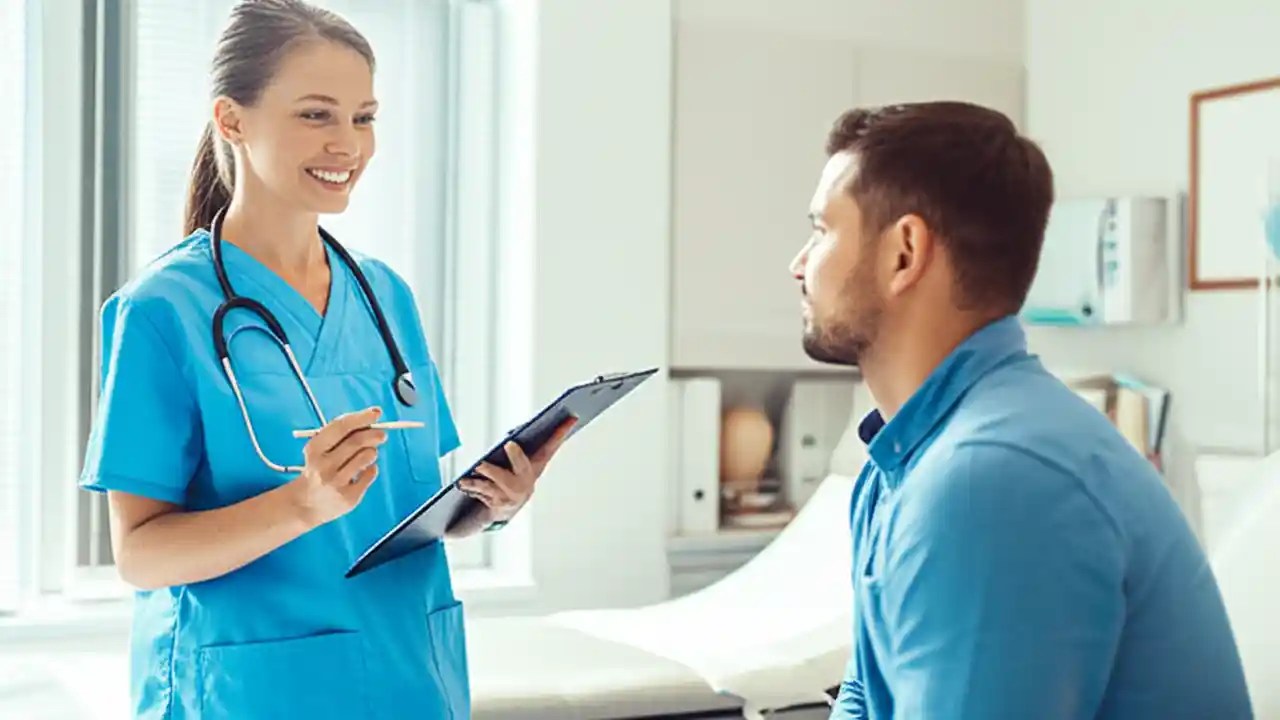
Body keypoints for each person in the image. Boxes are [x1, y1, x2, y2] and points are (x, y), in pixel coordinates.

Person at [78, 1, 572, 717]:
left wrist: (490, 505)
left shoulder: (384, 294)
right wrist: (301, 503)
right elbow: (142, 556)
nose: (348, 144)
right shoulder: (162, 310)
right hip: (252, 689)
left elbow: (406, 512)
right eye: (316, 115)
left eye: (363, 118)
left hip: (410, 675)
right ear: (232, 120)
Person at [790, 102, 1253, 719]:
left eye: (822, 231)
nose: (799, 264)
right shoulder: (903, 462)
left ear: (904, 253)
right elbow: (866, 696)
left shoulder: (990, 478)